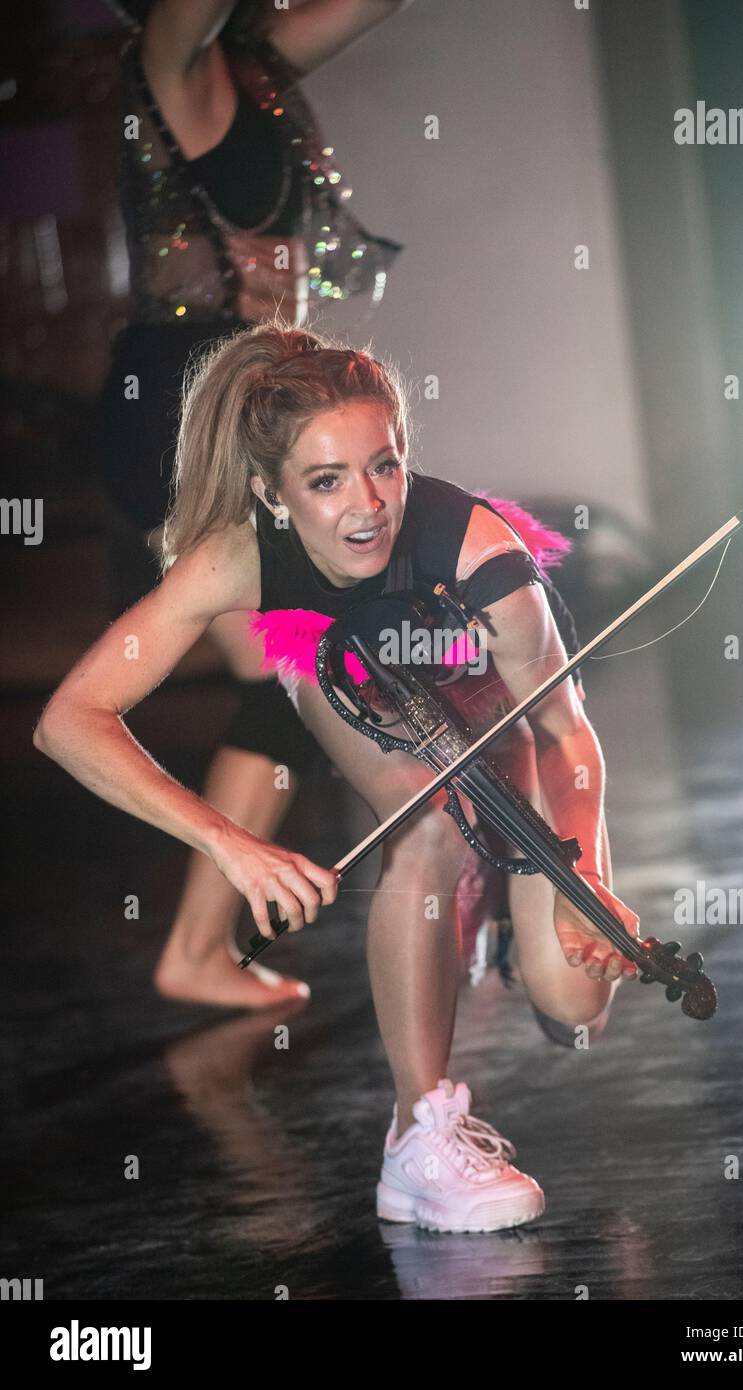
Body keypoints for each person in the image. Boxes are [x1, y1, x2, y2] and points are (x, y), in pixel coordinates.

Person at [34, 323, 641, 1235]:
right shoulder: (238, 558)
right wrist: (232, 846)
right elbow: (67, 721)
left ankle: (494, 919)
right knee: (429, 813)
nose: (368, 506)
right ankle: (418, 1140)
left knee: (575, 1000)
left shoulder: (476, 553)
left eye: (385, 467)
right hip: (351, 677)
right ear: (268, 493)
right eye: (325, 481)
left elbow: (566, 729)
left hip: (497, 720)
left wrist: (583, 871)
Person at [98, 0, 407, 1009]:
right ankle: (194, 943)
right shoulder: (172, 59)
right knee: (284, 669)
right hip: (180, 407)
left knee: (288, 669)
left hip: (241, 398)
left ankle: (195, 947)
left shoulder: (251, 56)